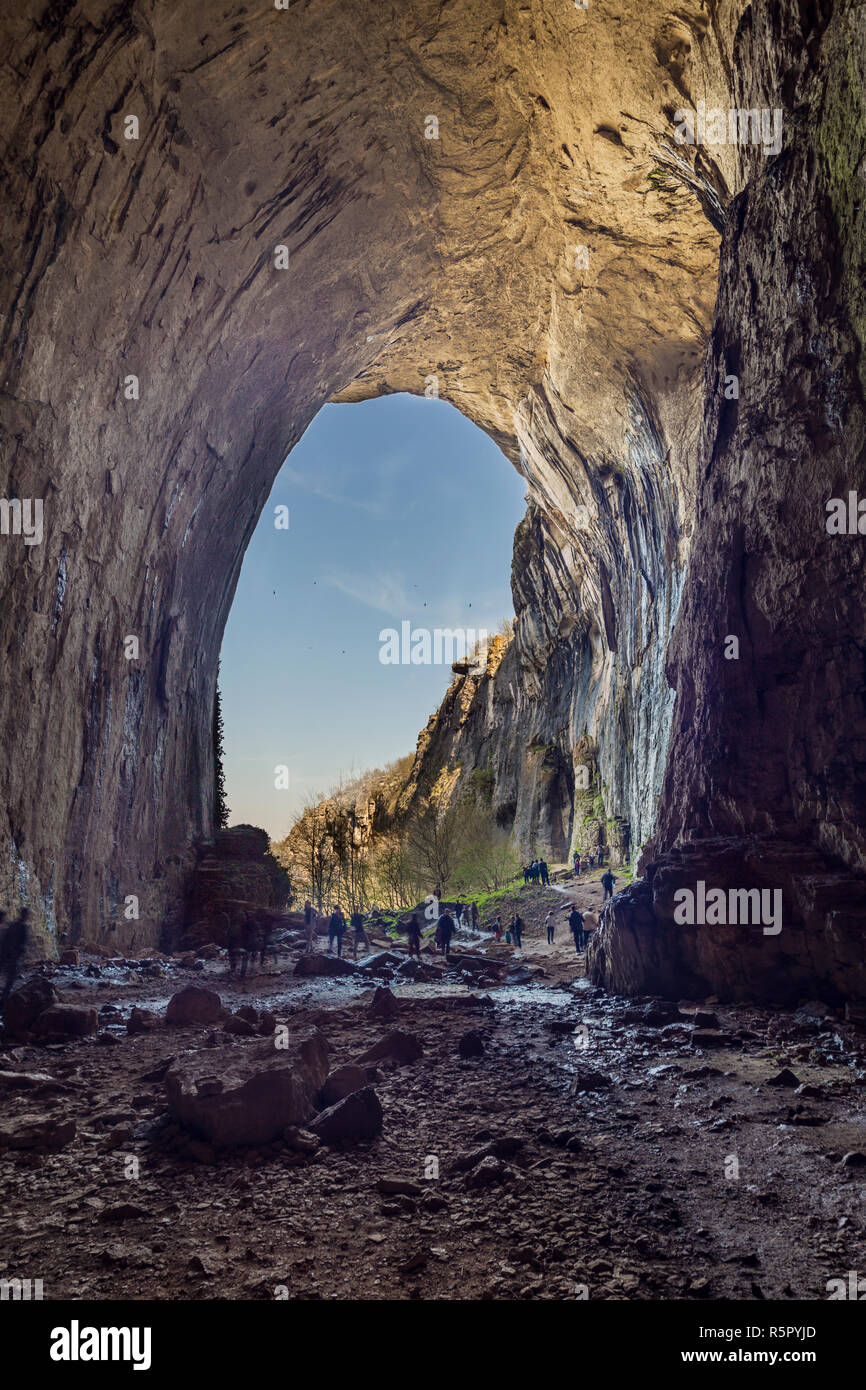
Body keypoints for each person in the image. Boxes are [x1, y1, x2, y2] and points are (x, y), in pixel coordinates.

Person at [0, 908, 28, 1008]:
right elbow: (22, 944)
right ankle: (3, 1002)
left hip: (6, 956)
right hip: (11, 957)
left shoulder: (12, 925)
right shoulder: (22, 927)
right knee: (10, 980)